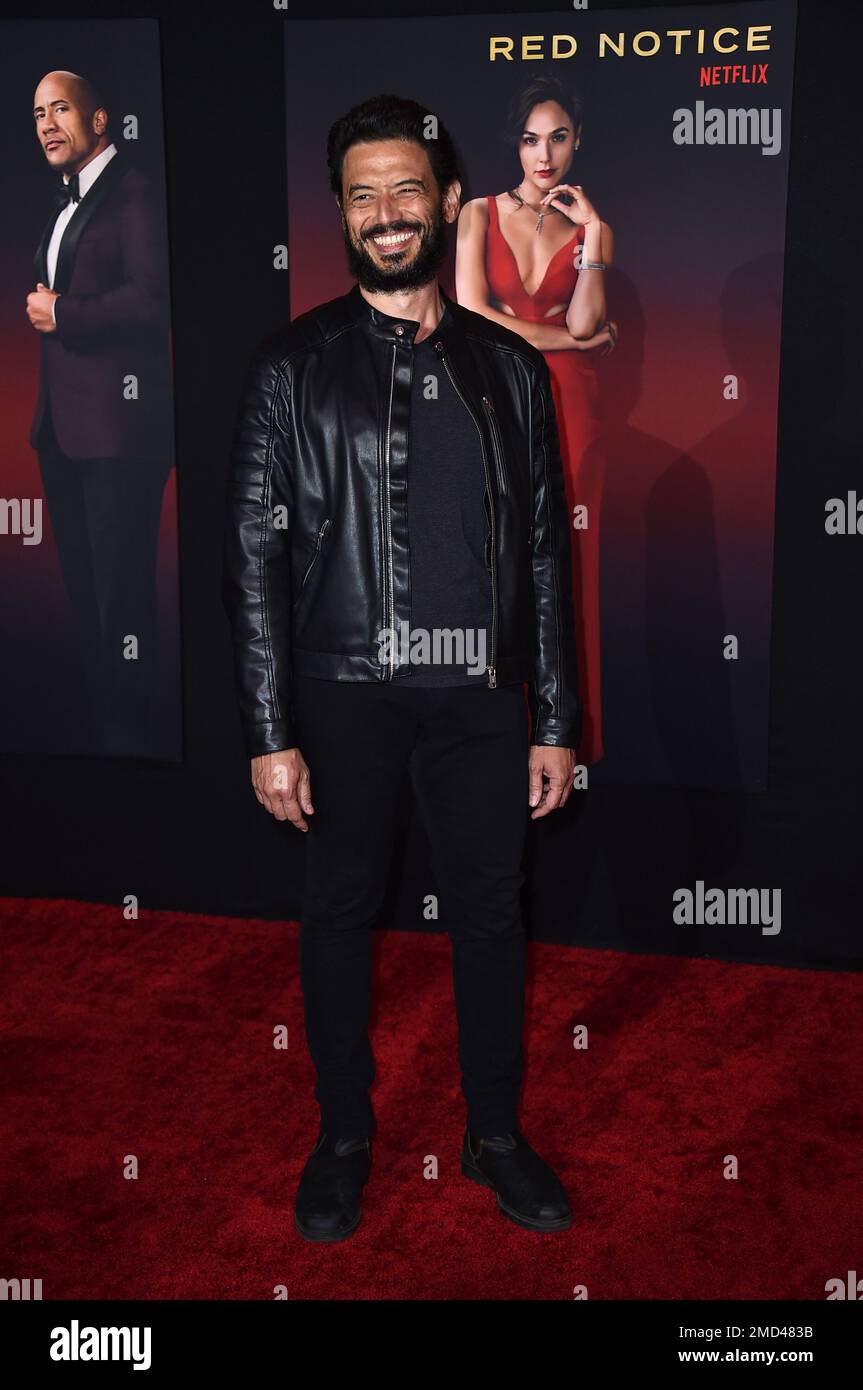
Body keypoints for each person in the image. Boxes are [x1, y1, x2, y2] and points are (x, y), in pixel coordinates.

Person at [222, 93, 582, 1242]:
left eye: (405, 188)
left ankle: (492, 1132)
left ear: (445, 200)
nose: (385, 213)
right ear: (340, 211)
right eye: (362, 193)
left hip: (479, 699)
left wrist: (554, 717)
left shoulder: (511, 369)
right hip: (342, 691)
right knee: (336, 913)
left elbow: (540, 551)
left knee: (488, 915)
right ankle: (341, 1136)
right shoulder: (290, 365)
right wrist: (271, 729)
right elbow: (251, 557)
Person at [456, 74, 616, 767]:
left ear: (577, 143)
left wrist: (595, 236)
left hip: (574, 405)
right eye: (529, 139)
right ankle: (496, 733)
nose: (542, 154)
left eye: (556, 137)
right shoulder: (477, 215)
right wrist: (573, 340)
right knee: (497, 556)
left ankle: (566, 738)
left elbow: (585, 315)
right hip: (498, 395)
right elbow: (469, 318)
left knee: (571, 564)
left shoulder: (589, 226)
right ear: (513, 146)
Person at [28, 70, 172, 756]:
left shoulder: (136, 194)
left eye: (61, 109)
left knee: (121, 601)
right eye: (38, 114)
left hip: (119, 437)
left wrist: (63, 314)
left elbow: (154, 302)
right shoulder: (72, 198)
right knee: (88, 595)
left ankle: (131, 744)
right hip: (65, 432)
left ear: (99, 121)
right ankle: (102, 741)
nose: (48, 123)